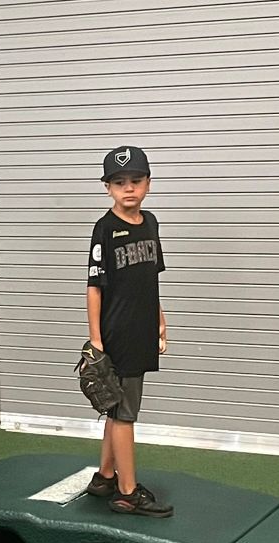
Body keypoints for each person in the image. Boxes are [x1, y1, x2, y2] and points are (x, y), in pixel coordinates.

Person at [84, 146, 172, 517]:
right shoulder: (105, 229)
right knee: (124, 413)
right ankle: (127, 490)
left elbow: (148, 278)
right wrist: (96, 339)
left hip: (142, 329)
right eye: (119, 183)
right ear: (108, 188)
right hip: (117, 333)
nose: (129, 189)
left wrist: (160, 318)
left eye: (136, 181)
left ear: (148, 183)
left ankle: (105, 475)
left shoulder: (150, 222)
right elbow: (93, 286)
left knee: (118, 406)